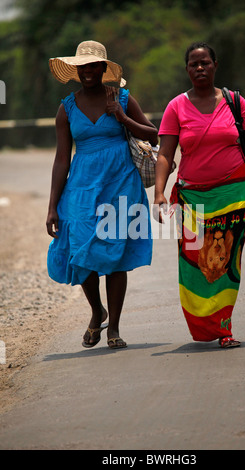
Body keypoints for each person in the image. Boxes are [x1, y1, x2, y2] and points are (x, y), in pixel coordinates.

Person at [154, 41, 245, 348]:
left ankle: (224, 328)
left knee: (225, 261)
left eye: (205, 62)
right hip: (192, 199)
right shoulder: (176, 107)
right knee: (196, 263)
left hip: (236, 194)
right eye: (194, 64)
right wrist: (159, 193)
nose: (200, 68)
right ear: (187, 70)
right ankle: (202, 325)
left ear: (215, 65)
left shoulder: (235, 102)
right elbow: (165, 154)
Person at [46, 40, 157, 349]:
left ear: (104, 69)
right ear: (76, 70)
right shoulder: (66, 108)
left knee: (116, 253)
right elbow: (61, 159)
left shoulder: (122, 97)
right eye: (83, 66)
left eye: (94, 66)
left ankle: (114, 329)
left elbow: (153, 134)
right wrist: (52, 206)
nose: (88, 72)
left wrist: (121, 116)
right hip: (81, 189)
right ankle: (97, 311)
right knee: (80, 251)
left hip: (120, 184)